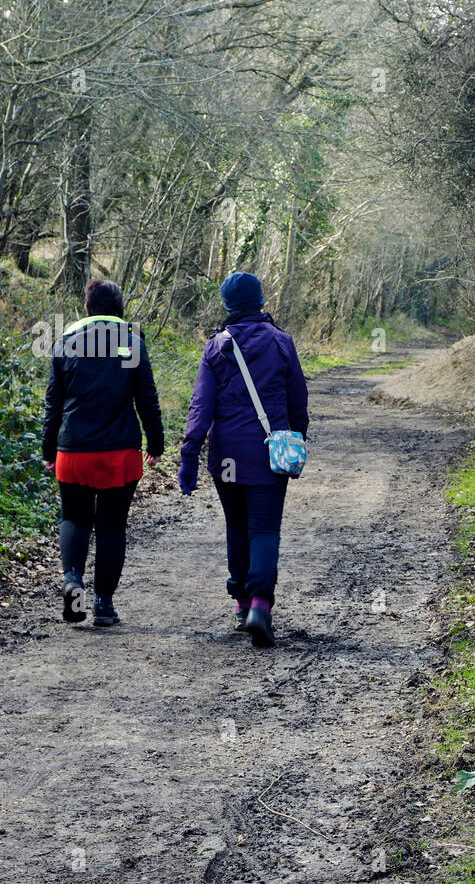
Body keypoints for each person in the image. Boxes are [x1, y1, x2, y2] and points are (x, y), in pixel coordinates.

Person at [178, 272, 309, 647]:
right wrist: (296, 436)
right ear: (261, 300)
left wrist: (189, 456)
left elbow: (201, 407)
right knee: (264, 530)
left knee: (236, 527)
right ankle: (261, 608)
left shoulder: (216, 347)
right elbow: (297, 400)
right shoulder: (282, 342)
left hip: (228, 457)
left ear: (227, 305)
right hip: (270, 453)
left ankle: (241, 604)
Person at [42, 279, 164, 626]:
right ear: (120, 307)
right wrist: (156, 444)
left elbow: (54, 404)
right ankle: (104, 606)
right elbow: (147, 400)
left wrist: (49, 448)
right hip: (119, 452)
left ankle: (73, 583)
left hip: (74, 450)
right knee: (112, 527)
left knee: (74, 519)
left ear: (87, 308)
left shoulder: (65, 344)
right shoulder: (132, 344)